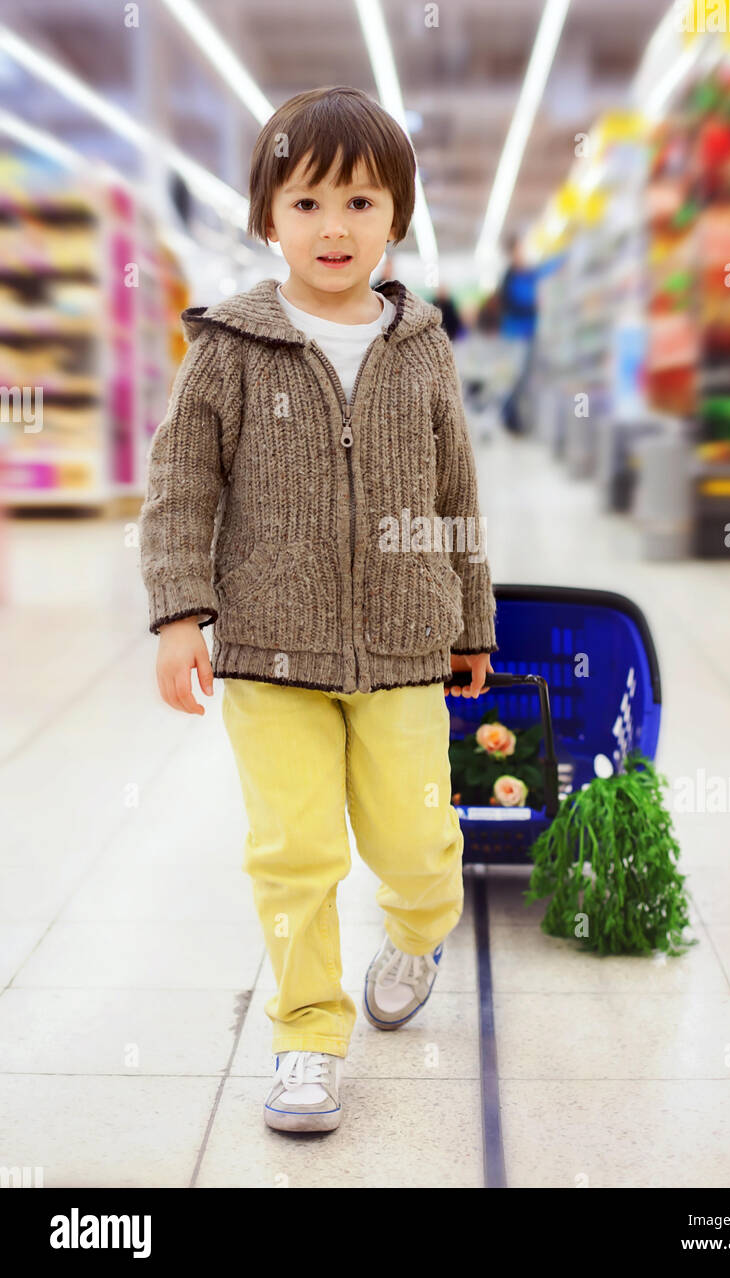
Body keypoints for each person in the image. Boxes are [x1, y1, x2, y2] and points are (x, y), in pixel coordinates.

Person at [137, 85, 498, 1134]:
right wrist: (176, 614)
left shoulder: (421, 346)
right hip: (269, 653)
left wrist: (469, 620)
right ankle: (305, 1036)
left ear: (397, 217)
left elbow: (455, 494)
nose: (331, 227)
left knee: (419, 847)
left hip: (402, 645)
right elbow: (179, 489)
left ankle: (418, 931)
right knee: (292, 852)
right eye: (304, 203)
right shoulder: (229, 348)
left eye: (358, 202)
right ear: (265, 219)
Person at [497, 231, 567, 434]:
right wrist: (534, 306)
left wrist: (563, 257)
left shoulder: (527, 273)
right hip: (516, 335)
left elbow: (543, 270)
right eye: (520, 250)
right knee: (517, 376)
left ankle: (514, 417)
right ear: (512, 253)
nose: (523, 253)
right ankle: (509, 417)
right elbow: (514, 304)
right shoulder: (509, 278)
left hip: (529, 334)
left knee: (524, 377)